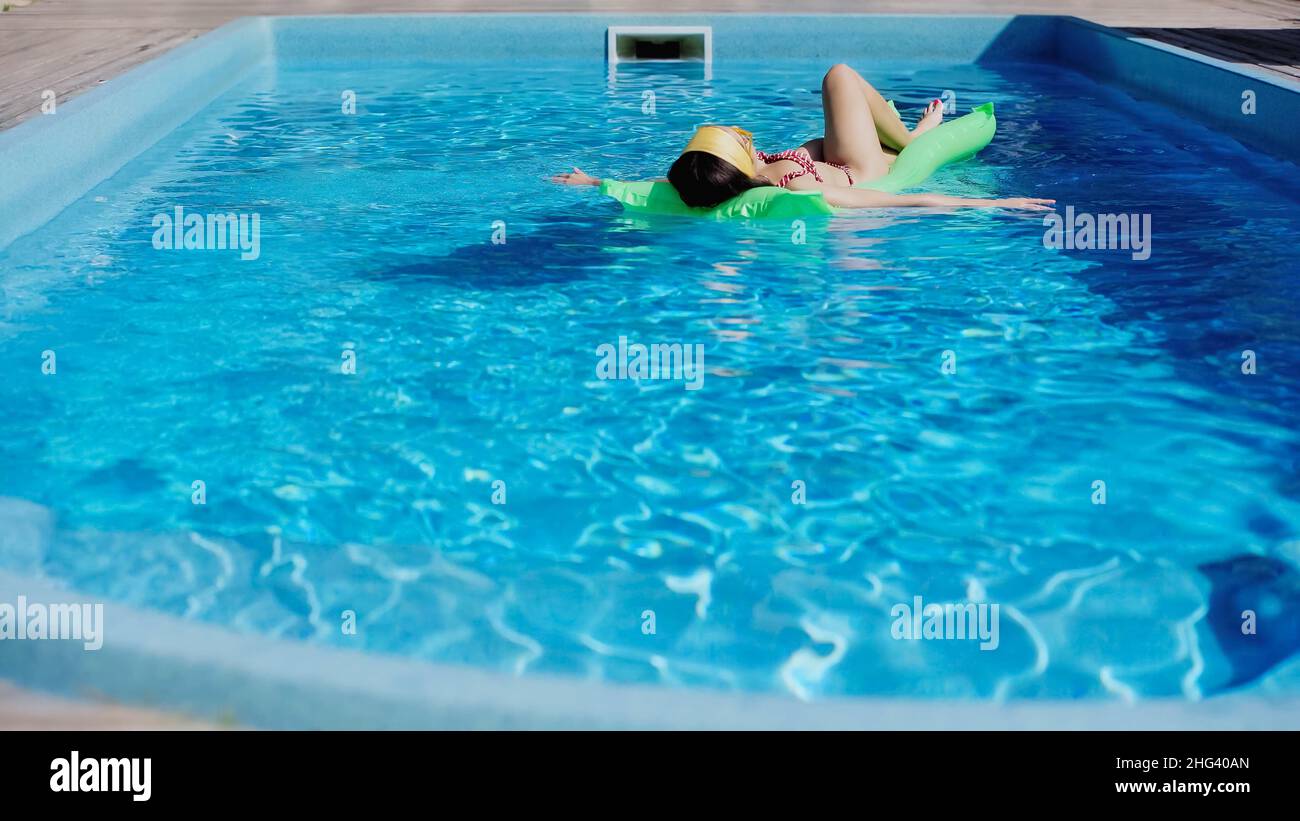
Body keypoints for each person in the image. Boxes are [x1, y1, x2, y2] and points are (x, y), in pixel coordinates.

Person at [553, 63, 1053, 212]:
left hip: (838, 154)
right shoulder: (793, 188)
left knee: (841, 88)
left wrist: (594, 180)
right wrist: (993, 204)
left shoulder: (731, 177)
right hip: (864, 170)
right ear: (736, 159)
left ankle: (903, 133)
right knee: (840, 76)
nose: (743, 135)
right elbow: (889, 204)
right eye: (735, 137)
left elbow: (656, 187)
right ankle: (914, 135)